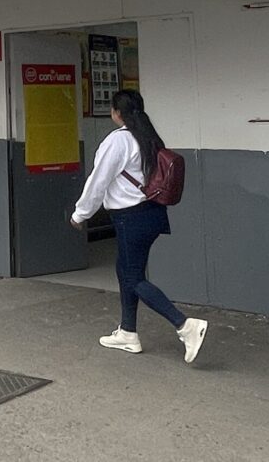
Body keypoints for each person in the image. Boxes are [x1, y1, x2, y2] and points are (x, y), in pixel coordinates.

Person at [70, 89, 208, 363]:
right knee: (126, 272)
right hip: (152, 214)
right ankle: (127, 332)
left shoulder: (118, 140)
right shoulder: (149, 138)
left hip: (130, 218)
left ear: (116, 113)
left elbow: (99, 180)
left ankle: (185, 326)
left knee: (133, 278)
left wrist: (80, 213)